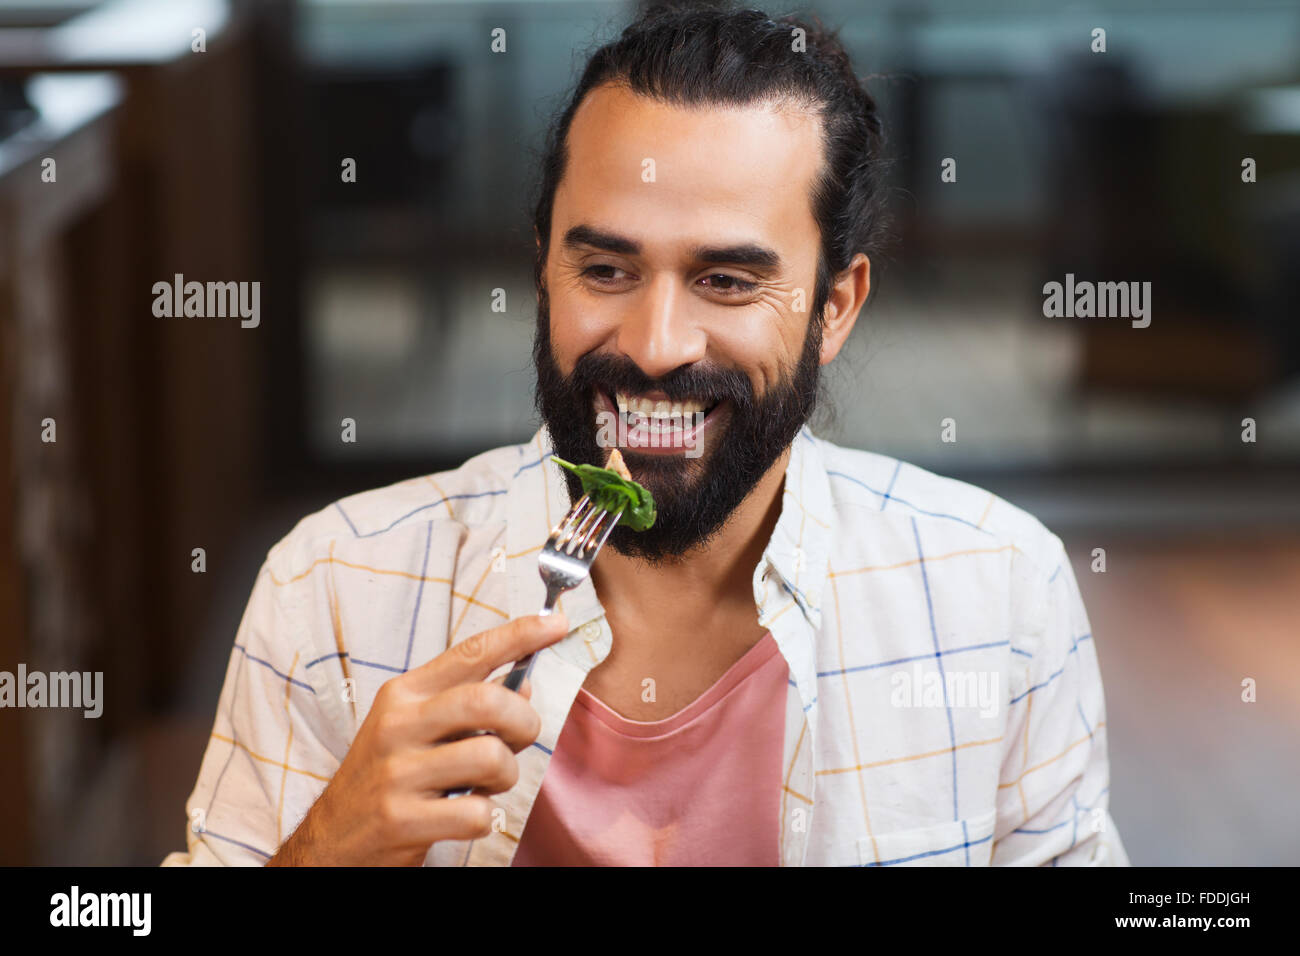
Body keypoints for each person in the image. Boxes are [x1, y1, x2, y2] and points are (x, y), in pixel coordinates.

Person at [163, 2, 1129, 867]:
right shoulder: (331, 591)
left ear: (835, 308)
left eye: (727, 280)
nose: (656, 347)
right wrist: (327, 853)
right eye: (608, 271)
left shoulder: (1000, 594)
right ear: (543, 269)